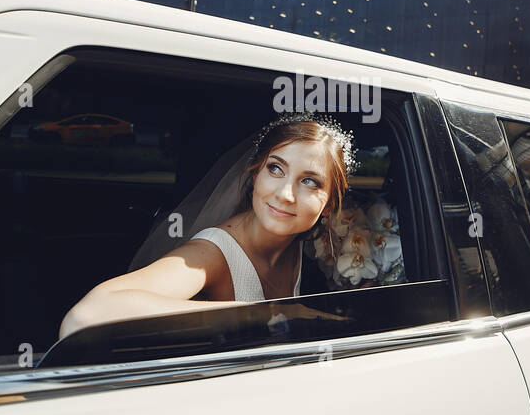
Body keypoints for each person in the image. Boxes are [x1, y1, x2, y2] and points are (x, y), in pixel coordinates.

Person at [57, 113, 353, 340]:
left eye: (309, 181)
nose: (285, 194)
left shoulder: (296, 241)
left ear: (328, 204)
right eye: (275, 169)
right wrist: (273, 313)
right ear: (255, 173)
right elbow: (87, 316)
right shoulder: (212, 253)